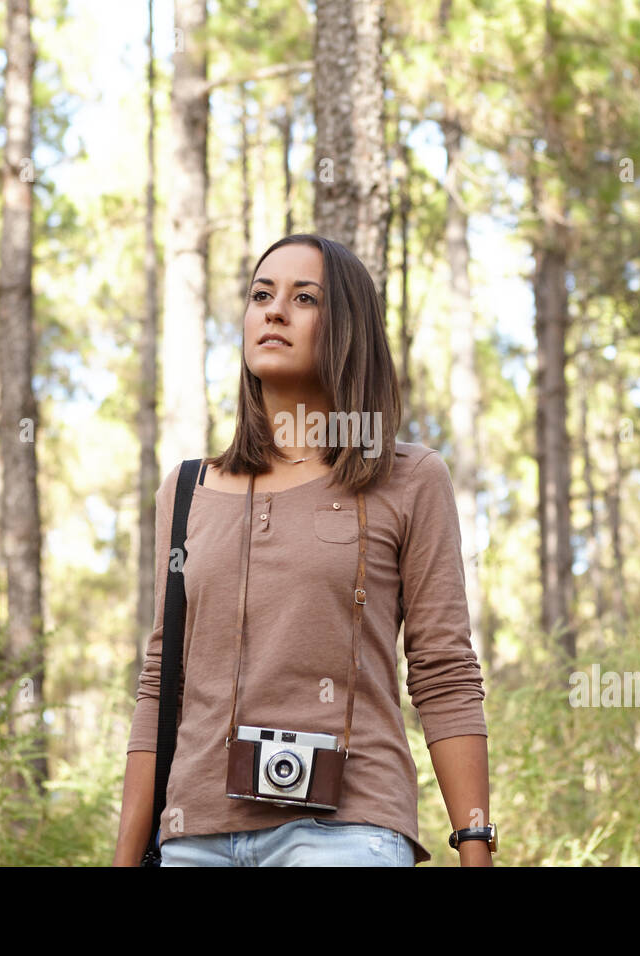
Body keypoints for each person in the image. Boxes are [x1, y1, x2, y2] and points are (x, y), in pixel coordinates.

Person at [112, 234, 494, 866]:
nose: (274, 310)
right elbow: (160, 683)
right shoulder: (186, 491)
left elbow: (444, 671)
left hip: (345, 830)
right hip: (193, 834)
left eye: (304, 297)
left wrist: (475, 844)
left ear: (347, 328)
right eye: (261, 294)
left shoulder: (409, 477)